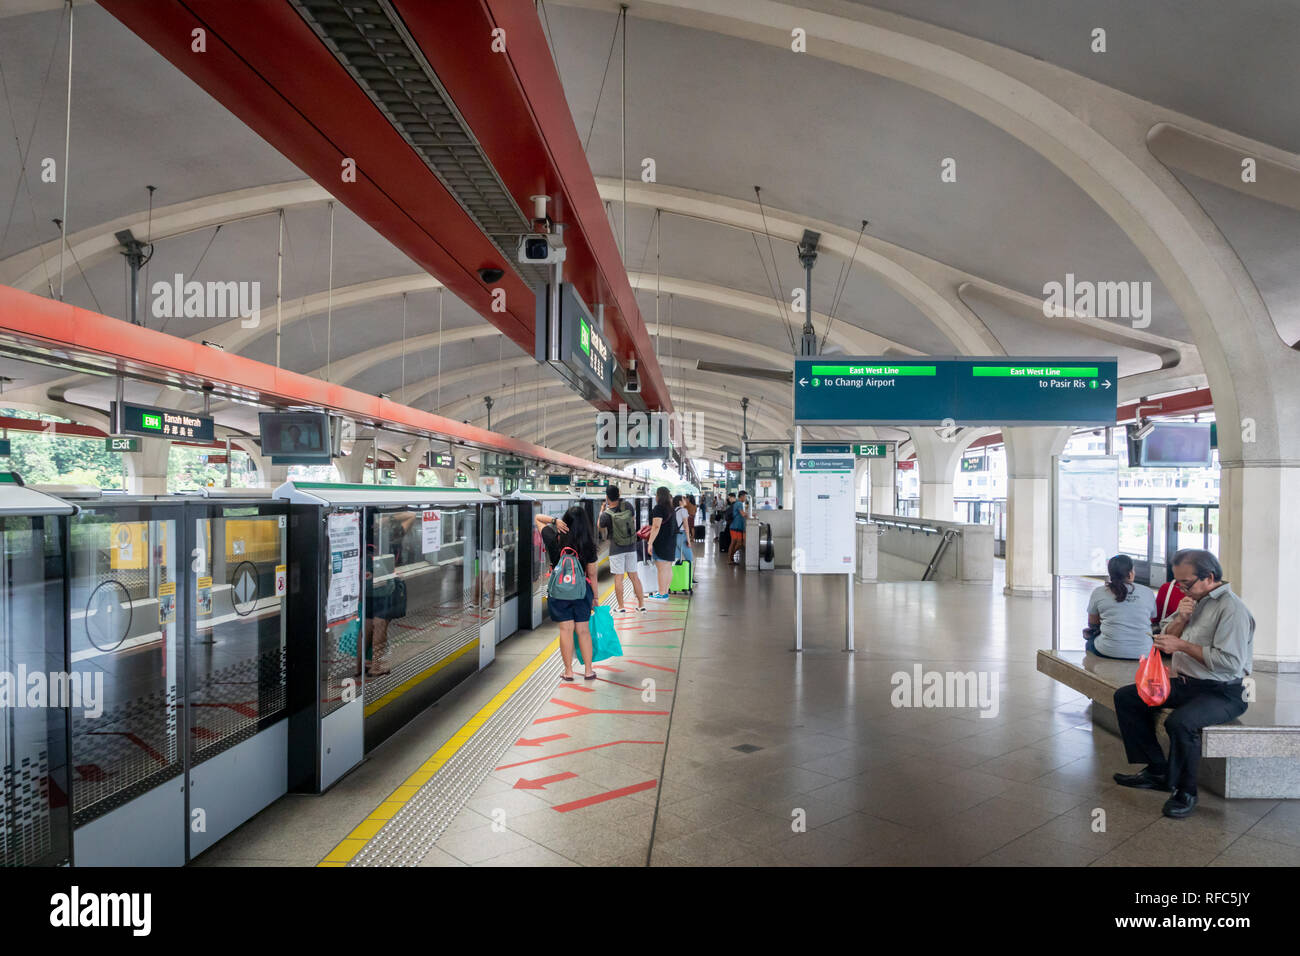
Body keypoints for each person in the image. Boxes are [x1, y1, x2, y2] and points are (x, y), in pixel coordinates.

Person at [1112, 549, 1254, 819]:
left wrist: (1182, 645)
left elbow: (1231, 663)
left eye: (1185, 583)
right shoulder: (1193, 600)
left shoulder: (1232, 609)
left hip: (1225, 692)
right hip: (1188, 684)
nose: (1180, 588)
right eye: (1177, 582)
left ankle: (1186, 791)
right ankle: (1157, 770)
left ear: (1209, 577)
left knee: (1180, 723)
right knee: (1128, 698)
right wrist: (1180, 620)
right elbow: (1164, 635)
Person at [535, 505, 600, 681]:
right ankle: (588, 670)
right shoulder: (588, 544)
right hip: (581, 591)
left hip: (559, 591)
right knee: (583, 631)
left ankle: (569, 671)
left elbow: (538, 518)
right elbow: (592, 574)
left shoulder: (553, 537)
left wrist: (555, 522)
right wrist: (595, 597)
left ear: (565, 521)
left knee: (565, 630)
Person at [1084, 554, 1156, 660]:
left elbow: (1093, 623)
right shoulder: (1148, 592)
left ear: (1110, 573)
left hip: (1107, 650)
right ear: (1130, 573)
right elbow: (1149, 620)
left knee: (1090, 642)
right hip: (1144, 652)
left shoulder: (1099, 592)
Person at [599, 484, 645, 614]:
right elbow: (632, 521)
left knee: (618, 578)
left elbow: (600, 527)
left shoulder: (606, 514)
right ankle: (641, 605)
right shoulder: (628, 506)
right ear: (619, 495)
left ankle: (621, 607)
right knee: (634, 576)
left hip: (616, 548)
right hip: (631, 546)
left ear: (607, 497)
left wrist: (602, 510)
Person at [645, 486, 678, 599]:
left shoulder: (659, 508)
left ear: (659, 496)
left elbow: (656, 526)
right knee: (668, 567)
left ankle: (662, 593)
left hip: (662, 543)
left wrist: (650, 543)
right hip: (671, 541)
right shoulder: (671, 508)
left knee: (661, 569)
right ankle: (665, 592)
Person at [726, 490, 749, 562]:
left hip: (737, 527)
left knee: (739, 543)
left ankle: (731, 557)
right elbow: (742, 514)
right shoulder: (739, 504)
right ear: (742, 496)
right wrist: (750, 515)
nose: (745, 499)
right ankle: (730, 558)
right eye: (745, 497)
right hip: (735, 527)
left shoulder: (738, 503)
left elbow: (741, 513)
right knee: (735, 543)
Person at [673, 494, 693, 564]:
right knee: (689, 559)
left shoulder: (673, 510)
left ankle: (677, 574)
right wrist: (688, 540)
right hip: (682, 536)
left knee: (677, 560)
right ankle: (689, 574)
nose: (685, 500)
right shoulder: (683, 510)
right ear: (680, 502)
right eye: (683, 499)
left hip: (674, 536)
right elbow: (686, 526)